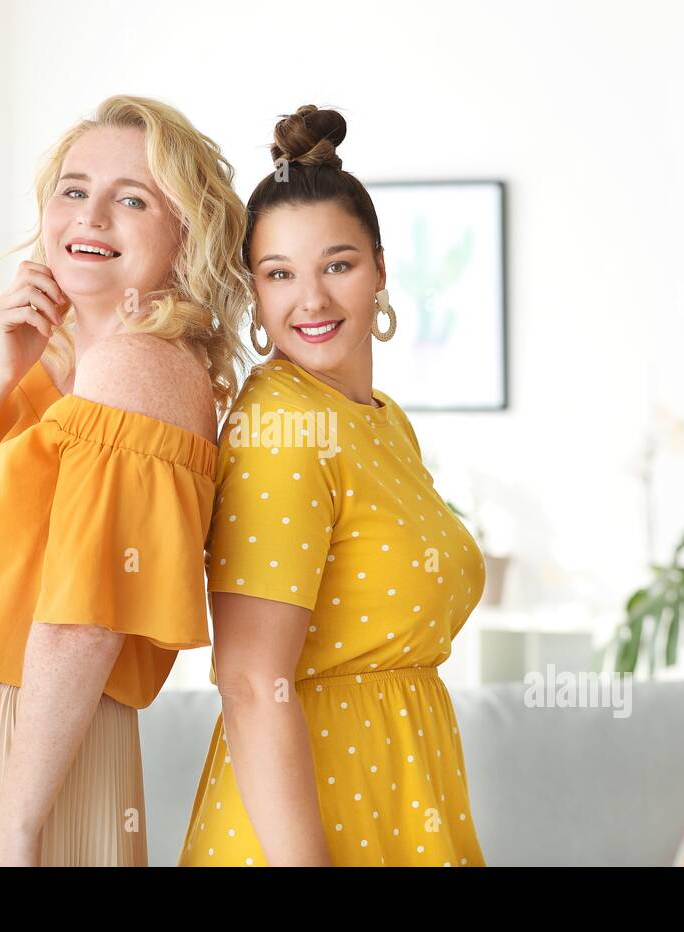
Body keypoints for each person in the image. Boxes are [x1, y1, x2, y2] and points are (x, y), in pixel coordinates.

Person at [0, 94, 251, 866]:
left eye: (131, 199)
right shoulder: (54, 358)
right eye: (74, 189)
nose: (90, 216)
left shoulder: (140, 369)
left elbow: (85, 619)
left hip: (15, 754)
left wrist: (15, 834)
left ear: (186, 233)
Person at [179, 105, 487, 866]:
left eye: (338, 265)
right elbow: (251, 682)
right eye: (279, 274)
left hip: (402, 788)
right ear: (254, 291)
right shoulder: (281, 423)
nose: (310, 301)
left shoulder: (381, 420)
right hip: (310, 826)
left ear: (382, 268)